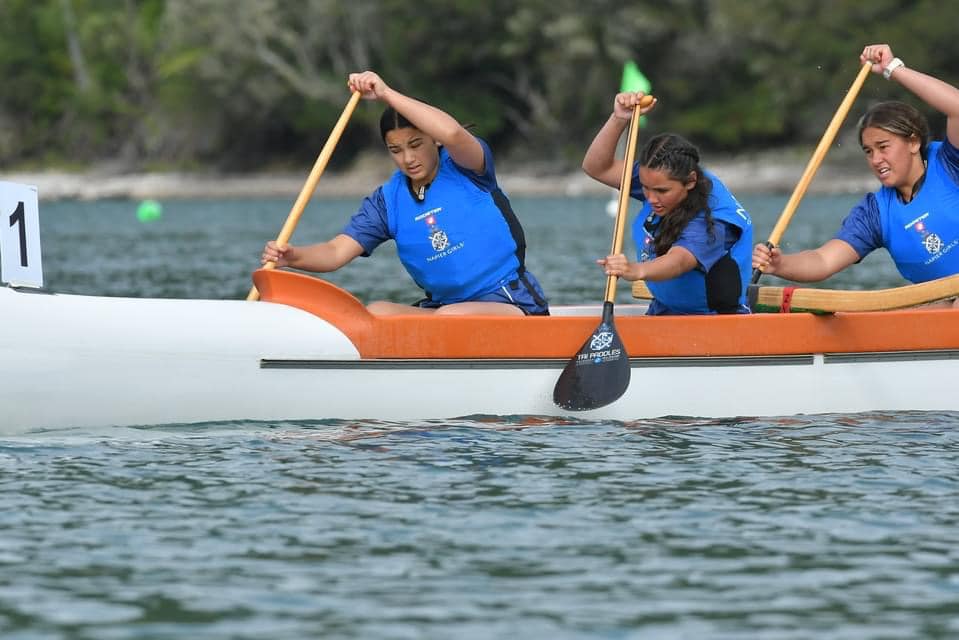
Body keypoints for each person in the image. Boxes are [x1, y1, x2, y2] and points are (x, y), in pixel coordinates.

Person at [261, 71, 549, 316]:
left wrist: (385, 93)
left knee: (451, 317)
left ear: (432, 139)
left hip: (508, 302)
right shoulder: (387, 201)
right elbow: (336, 252)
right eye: (396, 150)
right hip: (442, 309)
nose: (408, 158)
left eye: (415, 144)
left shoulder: (467, 166)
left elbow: (452, 134)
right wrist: (293, 257)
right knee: (377, 312)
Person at [752, 44, 959, 308]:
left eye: (883, 147)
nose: (876, 160)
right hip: (942, 310)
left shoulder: (950, 163)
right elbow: (823, 261)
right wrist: (780, 264)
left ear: (913, 142)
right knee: (934, 309)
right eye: (868, 152)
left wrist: (893, 69)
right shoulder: (874, 213)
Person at [582, 92, 754, 315]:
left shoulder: (715, 219)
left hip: (716, 321)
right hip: (664, 310)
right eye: (645, 188)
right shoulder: (656, 177)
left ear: (690, 181)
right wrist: (619, 119)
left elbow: (679, 261)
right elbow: (597, 168)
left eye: (662, 191)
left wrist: (636, 270)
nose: (651, 198)